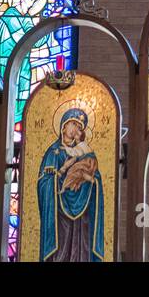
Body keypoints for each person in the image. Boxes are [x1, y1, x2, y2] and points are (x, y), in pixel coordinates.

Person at [36, 108, 104, 261]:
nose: (75, 129)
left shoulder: (84, 152)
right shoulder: (53, 152)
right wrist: (63, 170)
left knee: (81, 249)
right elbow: (43, 184)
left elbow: (96, 179)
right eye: (73, 124)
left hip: (82, 213)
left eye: (79, 127)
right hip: (58, 212)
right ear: (63, 126)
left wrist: (90, 181)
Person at [0, 0, 44, 120]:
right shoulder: (10, 15)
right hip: (6, 59)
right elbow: (22, 37)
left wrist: (45, 29)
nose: (31, 4)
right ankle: (5, 122)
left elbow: (35, 41)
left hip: (22, 61)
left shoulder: (27, 18)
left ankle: (18, 122)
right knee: (8, 89)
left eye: (33, 1)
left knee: (21, 90)